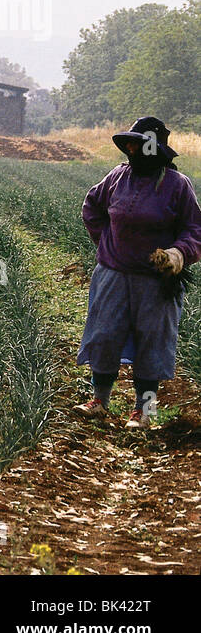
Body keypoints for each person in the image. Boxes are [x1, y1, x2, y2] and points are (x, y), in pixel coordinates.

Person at [74, 116, 201, 429]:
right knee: (104, 334)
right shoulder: (118, 176)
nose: (131, 149)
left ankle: (144, 411)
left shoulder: (176, 185)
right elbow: (92, 207)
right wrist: (106, 243)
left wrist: (177, 254)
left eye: (137, 143)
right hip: (113, 272)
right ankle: (99, 401)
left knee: (151, 341)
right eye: (129, 143)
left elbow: (195, 229)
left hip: (155, 281)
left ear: (153, 149)